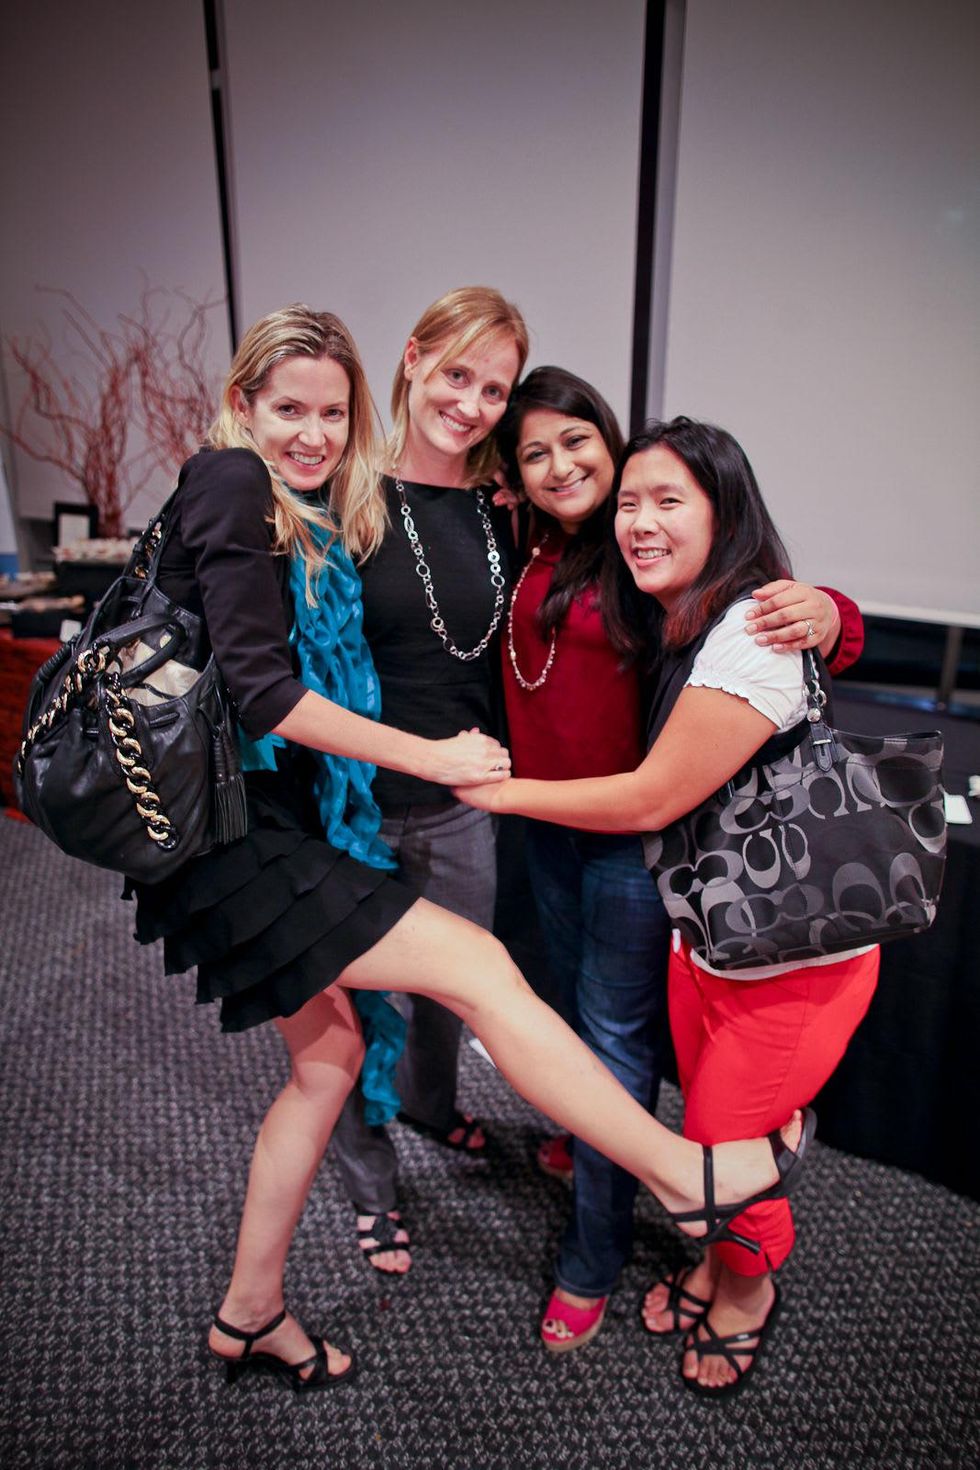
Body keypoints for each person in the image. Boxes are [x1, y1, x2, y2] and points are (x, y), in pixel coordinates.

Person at [129, 309, 810, 1394]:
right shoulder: (236, 480)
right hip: (240, 828)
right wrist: (435, 756)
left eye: (328, 413)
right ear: (244, 404)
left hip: (275, 818)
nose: (311, 432)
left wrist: (823, 612)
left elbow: (715, 579)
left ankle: (248, 1312)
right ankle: (684, 1177)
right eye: (289, 410)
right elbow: (265, 689)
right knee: (475, 979)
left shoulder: (424, 508)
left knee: (329, 1055)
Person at [457, 414, 879, 1394]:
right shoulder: (684, 609)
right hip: (715, 936)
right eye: (631, 506)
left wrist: (502, 792)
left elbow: (650, 795)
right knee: (699, 1128)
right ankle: (711, 1266)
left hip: (787, 959)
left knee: (725, 1153)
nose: (639, 523)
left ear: (721, 511)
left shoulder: (745, 632)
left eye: (666, 502)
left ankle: (744, 1298)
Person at [327, 287, 528, 1275]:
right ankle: (368, 1184)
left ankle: (433, 1105)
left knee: (454, 994)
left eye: (494, 388)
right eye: (456, 374)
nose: (472, 402)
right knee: (354, 1005)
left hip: (462, 807)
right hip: (351, 804)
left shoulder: (501, 510)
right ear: (410, 359)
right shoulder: (345, 494)